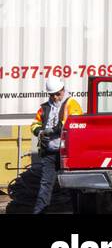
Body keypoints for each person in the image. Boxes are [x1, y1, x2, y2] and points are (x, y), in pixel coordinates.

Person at [31, 78, 82, 215]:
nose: (54, 97)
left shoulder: (71, 104)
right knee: (45, 184)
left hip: (67, 152)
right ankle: (40, 212)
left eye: (57, 94)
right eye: (52, 94)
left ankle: (75, 211)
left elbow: (71, 124)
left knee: (73, 185)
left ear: (63, 90)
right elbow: (35, 124)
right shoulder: (45, 107)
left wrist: (51, 131)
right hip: (50, 152)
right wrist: (40, 131)